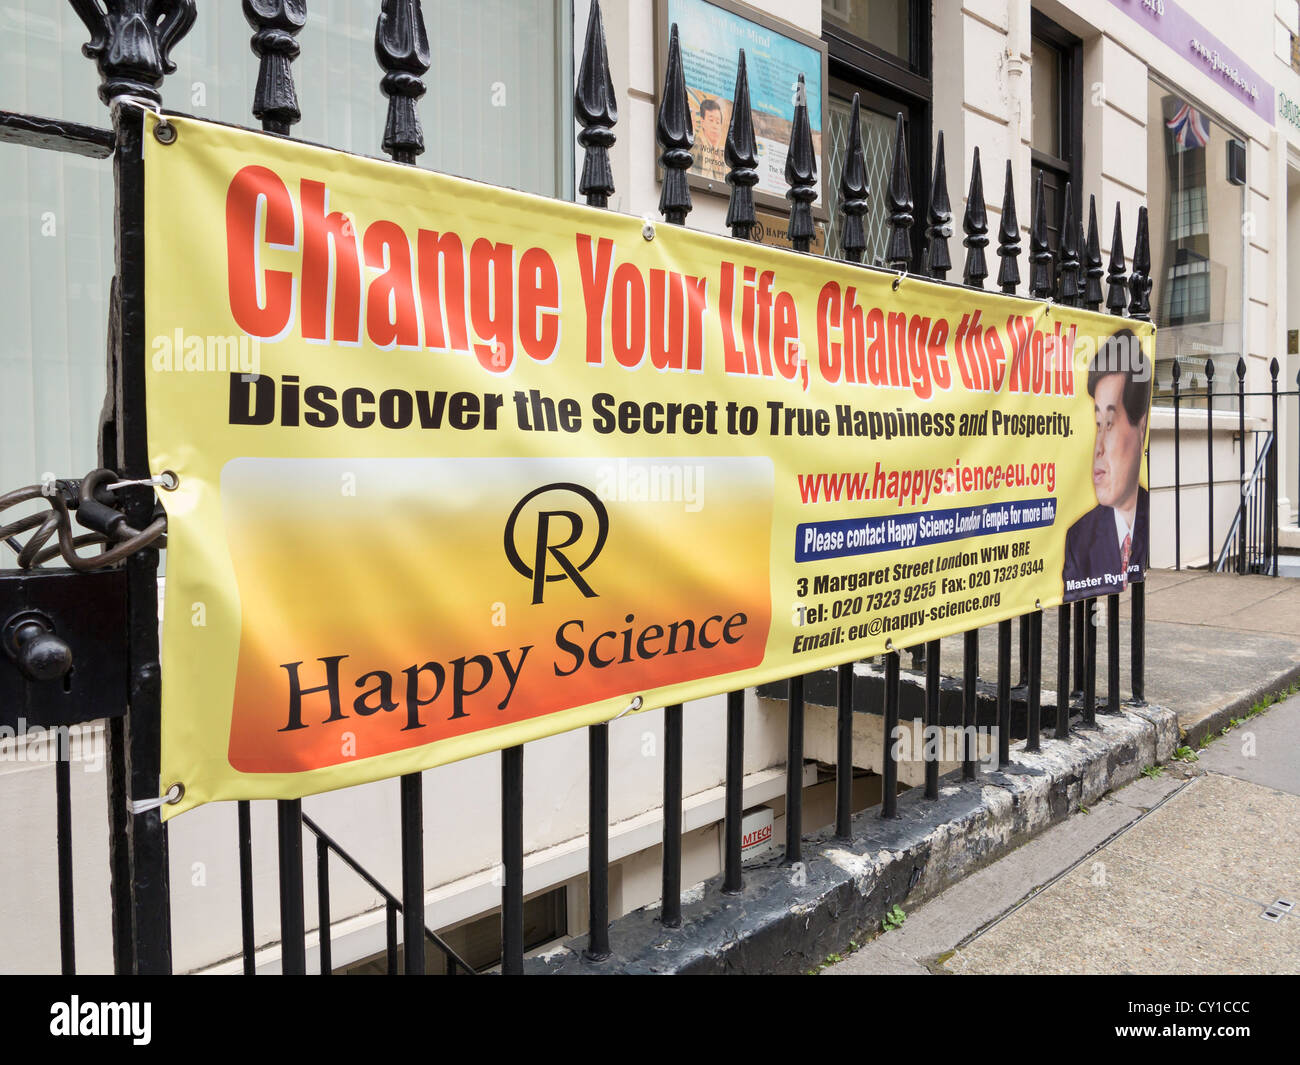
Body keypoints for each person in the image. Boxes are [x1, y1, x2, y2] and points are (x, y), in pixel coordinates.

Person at [1062, 328, 1150, 601]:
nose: (1097, 447)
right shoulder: (1078, 538)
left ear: (1142, 425)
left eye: (1109, 424)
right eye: (1097, 424)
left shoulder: (1150, 520)